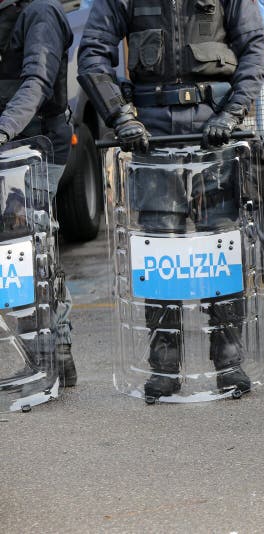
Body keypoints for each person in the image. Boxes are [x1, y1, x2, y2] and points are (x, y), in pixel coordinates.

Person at [77, 0, 264, 400]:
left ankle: (229, 360)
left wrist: (233, 113)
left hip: (213, 130)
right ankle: (164, 365)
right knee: (159, 251)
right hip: (151, 135)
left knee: (221, 245)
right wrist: (121, 116)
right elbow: (93, 53)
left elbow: (254, 49)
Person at [0, 0, 77, 388]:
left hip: (36, 146)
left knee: (28, 247)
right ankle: (54, 356)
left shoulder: (40, 13)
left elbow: (38, 80)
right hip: (9, 146)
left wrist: (4, 128)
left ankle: (49, 356)